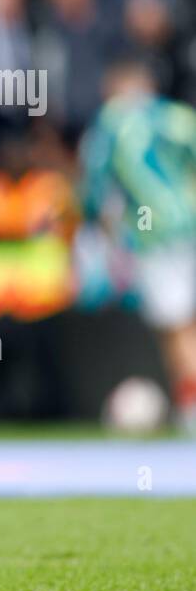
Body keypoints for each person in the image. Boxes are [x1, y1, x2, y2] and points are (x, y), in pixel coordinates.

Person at [80, 59, 196, 434]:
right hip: (190, 222)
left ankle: (192, 409)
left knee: (175, 326)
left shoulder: (114, 120)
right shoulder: (178, 117)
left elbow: (96, 184)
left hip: (157, 232)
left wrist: (101, 227)